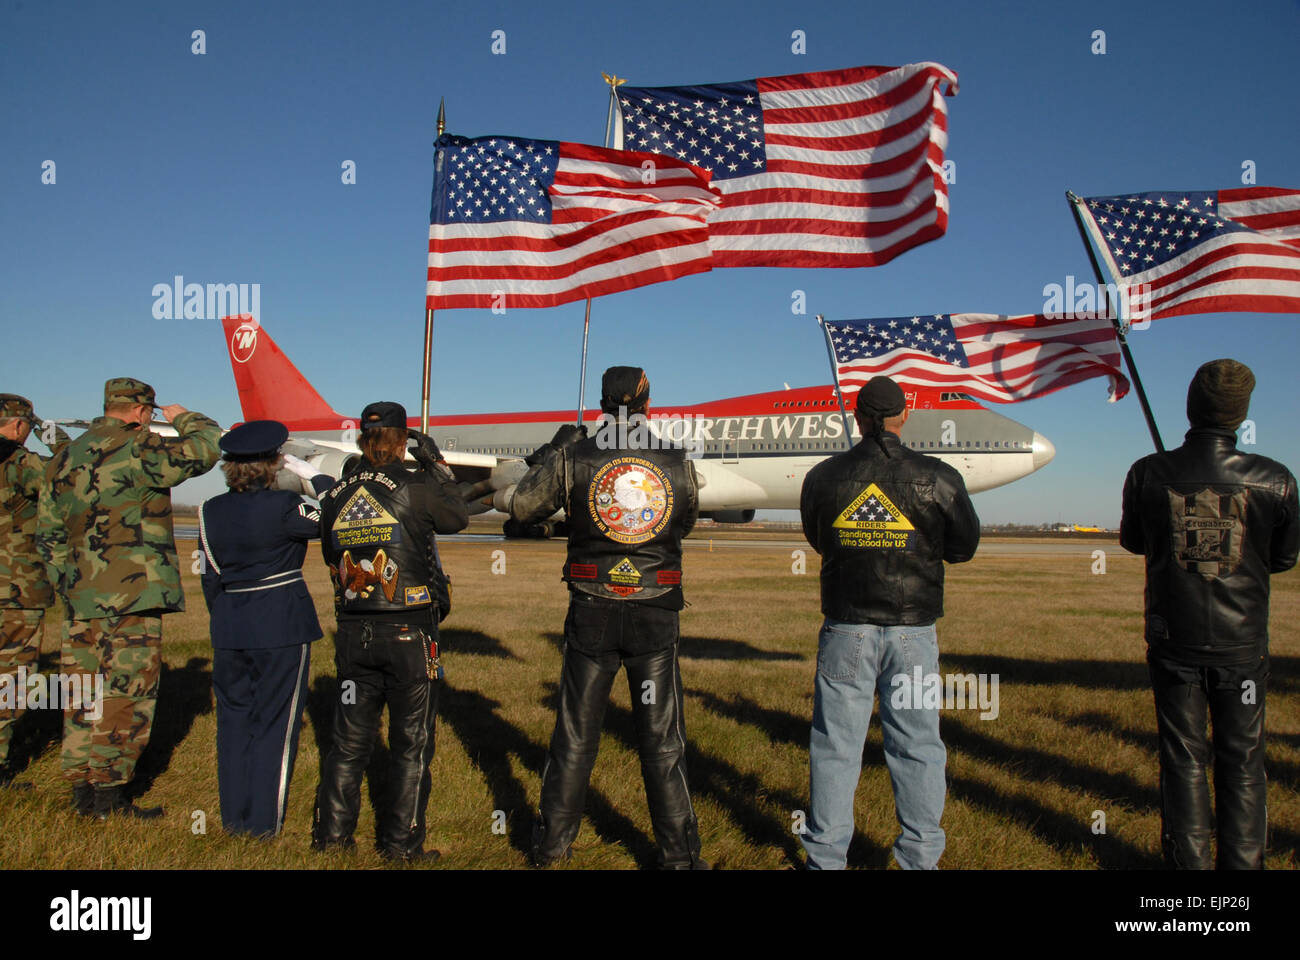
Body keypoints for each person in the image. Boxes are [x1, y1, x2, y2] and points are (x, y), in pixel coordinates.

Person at [510, 366, 707, 869]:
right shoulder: (674, 458)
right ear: (647, 402)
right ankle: (679, 857)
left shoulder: (576, 453)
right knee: (662, 738)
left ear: (602, 402)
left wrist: (556, 453)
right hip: (654, 604)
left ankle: (550, 848)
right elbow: (683, 522)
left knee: (575, 732)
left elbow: (525, 508)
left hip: (592, 603)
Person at [1121, 359, 1298, 870]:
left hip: (1174, 642)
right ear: (1240, 416)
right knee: (1243, 761)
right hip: (1241, 646)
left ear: (1190, 407)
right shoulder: (1275, 480)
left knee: (1184, 760)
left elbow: (1135, 541)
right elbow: (1283, 559)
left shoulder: (1149, 473)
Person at [798, 376, 979, 870]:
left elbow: (820, 537)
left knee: (835, 745)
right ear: (905, 414)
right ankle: (920, 858)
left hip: (845, 627)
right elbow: (963, 547)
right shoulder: (937, 476)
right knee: (918, 743)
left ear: (857, 417)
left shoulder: (825, 476)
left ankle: (826, 859)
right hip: (912, 630)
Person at [37, 377, 221, 819]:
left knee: (83, 693)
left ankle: (81, 789)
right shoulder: (140, 447)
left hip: (82, 600)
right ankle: (108, 796)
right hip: (132, 596)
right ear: (141, 411)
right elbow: (206, 448)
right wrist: (186, 419)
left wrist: (73, 585)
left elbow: (48, 537)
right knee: (126, 694)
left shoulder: (64, 456)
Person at [313, 402, 468, 862]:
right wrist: (437, 466)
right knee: (411, 744)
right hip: (408, 629)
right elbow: (457, 518)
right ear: (403, 441)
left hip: (354, 630)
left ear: (363, 440)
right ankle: (402, 845)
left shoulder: (338, 492)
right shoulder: (417, 485)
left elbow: (328, 551)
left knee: (347, 742)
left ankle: (332, 838)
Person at [197, 420, 333, 837]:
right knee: (276, 725)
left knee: (234, 724)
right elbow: (339, 512)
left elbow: (210, 578)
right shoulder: (285, 507)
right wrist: (318, 477)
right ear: (275, 463)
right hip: (279, 625)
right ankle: (261, 825)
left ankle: (232, 819)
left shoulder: (209, 510)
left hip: (230, 624)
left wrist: (226, 617)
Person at [0, 394, 69, 789]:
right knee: (10, 678)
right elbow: (68, 478)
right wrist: (58, 441)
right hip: (16, 591)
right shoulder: (21, 464)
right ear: (21, 426)